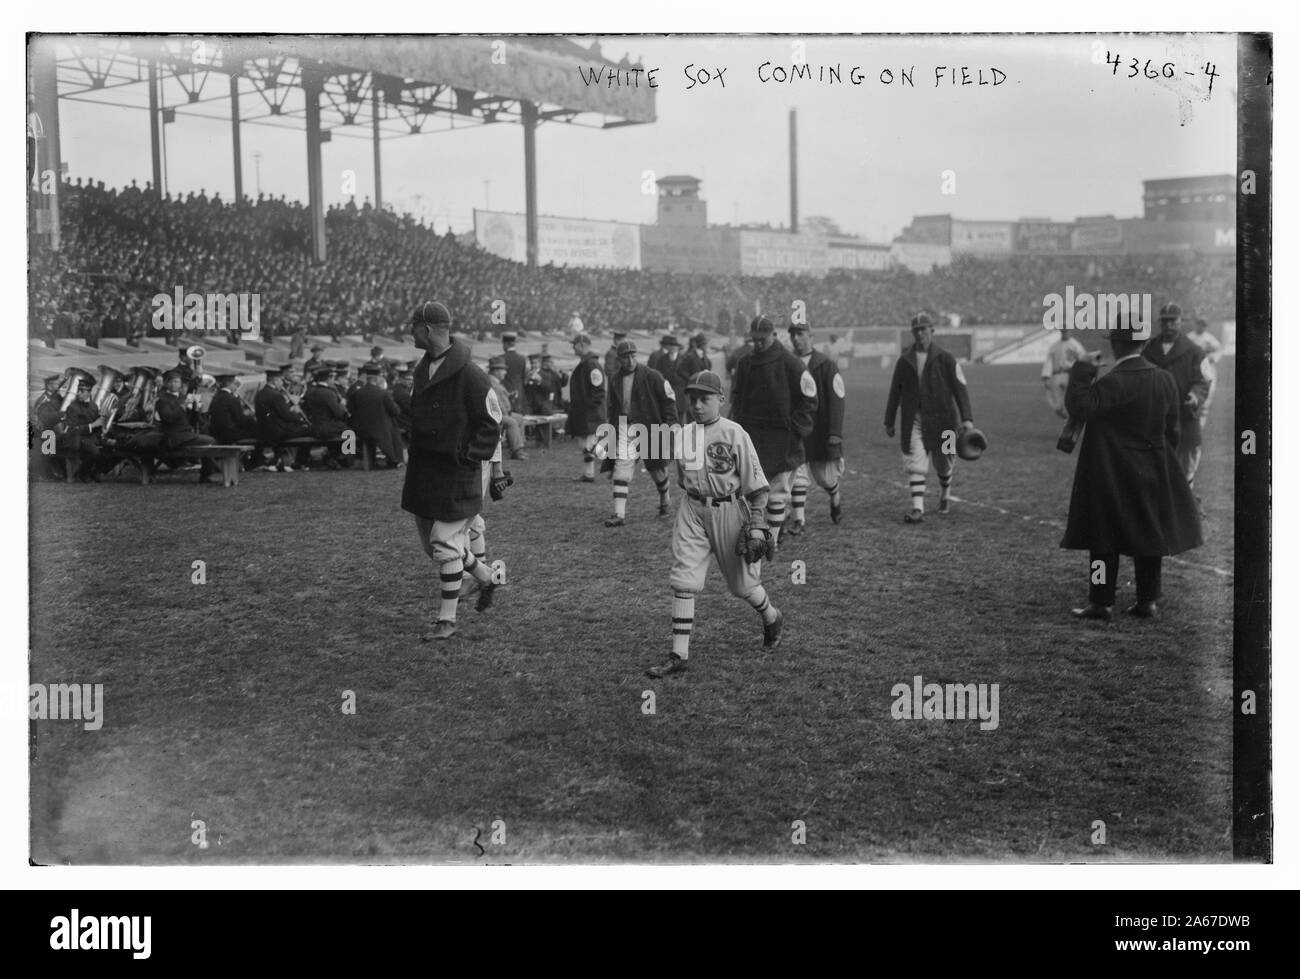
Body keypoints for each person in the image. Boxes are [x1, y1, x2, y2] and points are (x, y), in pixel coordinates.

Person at [1061, 316, 1202, 620]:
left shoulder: (1112, 381)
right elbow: (1173, 431)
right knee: (1150, 536)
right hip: (1152, 467)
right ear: (1145, 343)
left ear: (1114, 343)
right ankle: (1147, 601)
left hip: (1111, 471)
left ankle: (1101, 602)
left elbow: (1079, 407)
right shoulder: (1164, 379)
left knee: (1102, 539)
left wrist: (1083, 369)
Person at [645, 370, 783, 678]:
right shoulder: (683, 434)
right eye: (692, 398)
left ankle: (772, 617)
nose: (696, 405)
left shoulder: (735, 433)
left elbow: (758, 486)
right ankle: (679, 653)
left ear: (720, 399)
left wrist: (758, 521)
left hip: (729, 509)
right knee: (684, 578)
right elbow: (683, 478)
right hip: (693, 509)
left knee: (743, 586)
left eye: (704, 399)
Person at [401, 301, 504, 642]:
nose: (410, 332)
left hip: (455, 475)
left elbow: (493, 422)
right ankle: (487, 577)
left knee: (445, 544)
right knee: (436, 547)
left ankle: (447, 621)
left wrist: (467, 456)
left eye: (414, 327)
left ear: (426, 330)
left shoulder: (470, 374)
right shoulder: (424, 369)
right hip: (425, 473)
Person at [729, 316, 817, 545]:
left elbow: (809, 400)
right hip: (752, 436)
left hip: (781, 439)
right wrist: (735, 427)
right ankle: (755, 535)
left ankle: (772, 541)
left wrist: (795, 429)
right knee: (752, 489)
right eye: (754, 340)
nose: (758, 344)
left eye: (762, 340)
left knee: (777, 492)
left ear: (774, 335)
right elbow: (736, 398)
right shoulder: (745, 363)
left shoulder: (791, 363)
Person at [883, 312, 975, 523]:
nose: (920, 333)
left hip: (946, 420)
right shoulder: (905, 360)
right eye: (916, 330)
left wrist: (967, 418)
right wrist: (889, 419)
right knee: (915, 461)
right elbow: (895, 391)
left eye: (924, 329)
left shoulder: (946, 358)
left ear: (932, 331)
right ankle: (918, 509)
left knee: (944, 462)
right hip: (914, 418)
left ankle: (944, 493)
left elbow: (960, 389)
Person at [603, 338, 678, 526]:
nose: (629, 361)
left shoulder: (652, 375)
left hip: (650, 426)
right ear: (619, 359)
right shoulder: (615, 379)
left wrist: (670, 423)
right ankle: (619, 514)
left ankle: (665, 499)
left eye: (632, 356)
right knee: (622, 467)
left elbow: (668, 399)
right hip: (625, 426)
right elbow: (612, 407)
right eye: (625, 357)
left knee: (657, 470)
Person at [1142, 302, 1209, 490]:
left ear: (1181, 322)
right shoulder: (1148, 349)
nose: (1169, 326)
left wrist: (1194, 396)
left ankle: (1187, 498)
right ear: (1159, 323)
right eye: (1164, 322)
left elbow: (1202, 381)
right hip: (1155, 415)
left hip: (1184, 414)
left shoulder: (1194, 351)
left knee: (1188, 456)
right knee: (1154, 461)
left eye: (1173, 321)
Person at [787, 321, 846, 530]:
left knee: (825, 478)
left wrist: (835, 432)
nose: (796, 338)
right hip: (797, 428)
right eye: (793, 334)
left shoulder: (826, 364)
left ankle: (835, 495)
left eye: (800, 334)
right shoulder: (788, 363)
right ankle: (799, 520)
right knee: (798, 475)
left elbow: (837, 398)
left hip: (820, 429)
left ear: (811, 337)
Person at [155, 368, 219, 483]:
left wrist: (195, 410)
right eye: (171, 382)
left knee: (208, 439)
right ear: (166, 383)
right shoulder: (162, 400)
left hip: (185, 434)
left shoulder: (182, 397)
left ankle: (208, 472)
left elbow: (190, 420)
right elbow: (168, 418)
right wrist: (182, 407)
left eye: (177, 382)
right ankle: (208, 473)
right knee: (209, 441)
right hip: (174, 436)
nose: (174, 384)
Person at [255, 365, 314, 472]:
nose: (282, 383)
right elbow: (286, 415)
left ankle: (282, 460)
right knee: (309, 431)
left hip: (264, 431)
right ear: (274, 381)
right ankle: (300, 462)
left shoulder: (260, 394)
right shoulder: (276, 395)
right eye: (281, 381)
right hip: (278, 432)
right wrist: (299, 417)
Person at [567, 334, 606, 483]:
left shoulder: (591, 365)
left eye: (574, 344)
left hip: (590, 414)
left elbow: (598, 391)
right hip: (585, 413)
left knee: (589, 445)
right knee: (585, 445)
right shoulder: (587, 364)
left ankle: (614, 457)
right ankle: (589, 474)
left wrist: (587, 407)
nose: (573, 347)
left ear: (582, 345)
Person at [351, 364, 404, 468]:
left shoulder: (357, 393)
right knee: (395, 429)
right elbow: (396, 412)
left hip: (361, 430)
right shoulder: (383, 394)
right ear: (377, 379)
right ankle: (396, 460)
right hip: (381, 431)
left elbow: (352, 410)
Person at [301, 365, 350, 469]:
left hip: (315, 427)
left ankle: (333, 455)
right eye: (332, 378)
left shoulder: (311, 391)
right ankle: (343, 458)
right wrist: (342, 405)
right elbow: (339, 413)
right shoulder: (329, 393)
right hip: (328, 428)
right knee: (350, 432)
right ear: (328, 379)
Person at [486, 356, 527, 461]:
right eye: (503, 370)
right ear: (496, 371)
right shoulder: (491, 382)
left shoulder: (496, 381)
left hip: (502, 412)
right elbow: (496, 402)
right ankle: (516, 451)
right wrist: (506, 412)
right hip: (493, 414)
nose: (505, 372)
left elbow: (502, 397)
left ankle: (519, 446)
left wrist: (510, 396)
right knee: (512, 422)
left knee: (519, 418)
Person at [1041, 331, 1089, 419]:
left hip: (1070, 375)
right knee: (1058, 407)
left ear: (1069, 331)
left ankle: (1071, 422)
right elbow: (1049, 362)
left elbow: (1083, 358)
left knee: (1071, 403)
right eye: (1063, 331)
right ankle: (1070, 419)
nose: (1065, 333)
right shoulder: (1054, 346)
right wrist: (1046, 377)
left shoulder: (1075, 345)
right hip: (1056, 375)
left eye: (1066, 331)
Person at [1186, 316, 1223, 422]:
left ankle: (1202, 418)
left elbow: (1219, 349)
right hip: (1192, 368)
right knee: (1193, 392)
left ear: (1206, 326)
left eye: (1203, 325)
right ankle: (1193, 416)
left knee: (1209, 391)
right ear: (1195, 324)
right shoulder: (1189, 337)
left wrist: (1213, 357)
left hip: (1207, 367)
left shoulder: (1209, 338)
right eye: (1199, 324)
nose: (1201, 327)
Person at [500, 332, 527, 408]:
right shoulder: (522, 359)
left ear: (505, 344)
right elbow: (523, 377)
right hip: (519, 393)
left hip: (505, 394)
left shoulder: (501, 359)